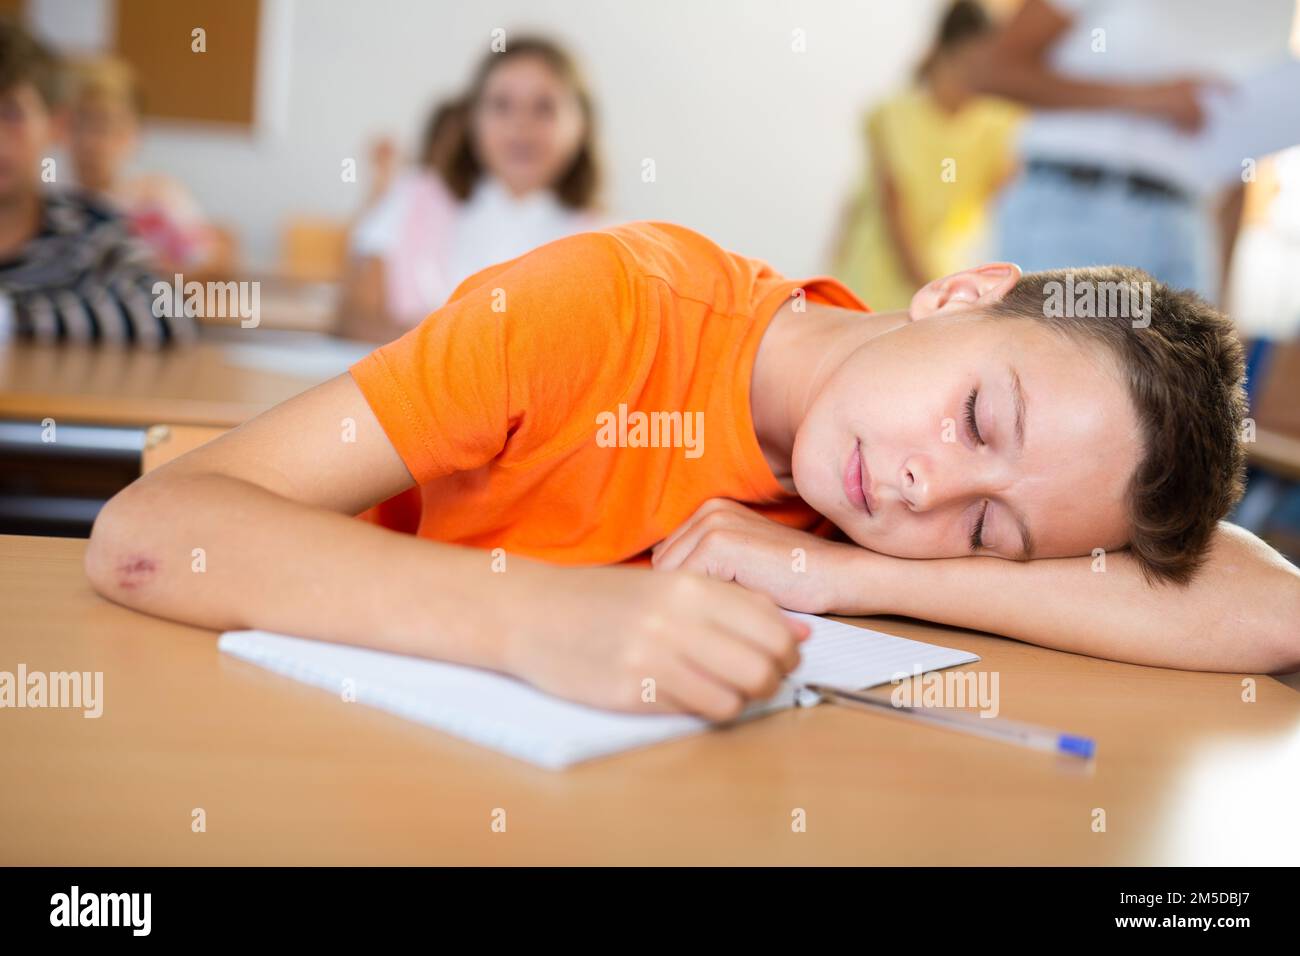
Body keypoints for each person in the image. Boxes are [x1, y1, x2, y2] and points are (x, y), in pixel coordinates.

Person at [86, 220, 1297, 720]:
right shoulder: (605, 310)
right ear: (958, 294)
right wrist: (538, 613)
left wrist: (835, 575)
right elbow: (152, 527)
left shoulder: (860, 515)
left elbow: (1270, 603)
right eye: (980, 417)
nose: (931, 489)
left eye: (990, 532)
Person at [971, 0, 1297, 300]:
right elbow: (994, 70)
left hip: (1185, 225)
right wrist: (1149, 99)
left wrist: (1223, 291)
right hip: (1074, 204)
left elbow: (1240, 158)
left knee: (1177, 364)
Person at [338, 36, 604, 341]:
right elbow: (353, 317)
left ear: (581, 123)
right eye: (501, 105)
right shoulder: (416, 197)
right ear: (473, 119)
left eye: (544, 108)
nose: (521, 124)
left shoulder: (600, 239)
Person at [0, 19, 191, 344]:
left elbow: (170, 314)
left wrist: (10, 318)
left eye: (12, 114)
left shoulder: (91, 233)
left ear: (56, 126)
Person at [832, 0, 1022, 310]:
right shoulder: (892, 114)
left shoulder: (1000, 124)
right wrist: (935, 292)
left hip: (944, 276)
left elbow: (1004, 196)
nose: (973, 78)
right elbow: (889, 216)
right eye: (966, 63)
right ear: (943, 53)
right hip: (877, 278)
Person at [64, 55, 225, 278]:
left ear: (134, 134)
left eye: (105, 126)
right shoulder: (48, 200)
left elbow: (209, 262)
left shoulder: (156, 199)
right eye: (79, 124)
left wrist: (164, 274)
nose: (90, 142)